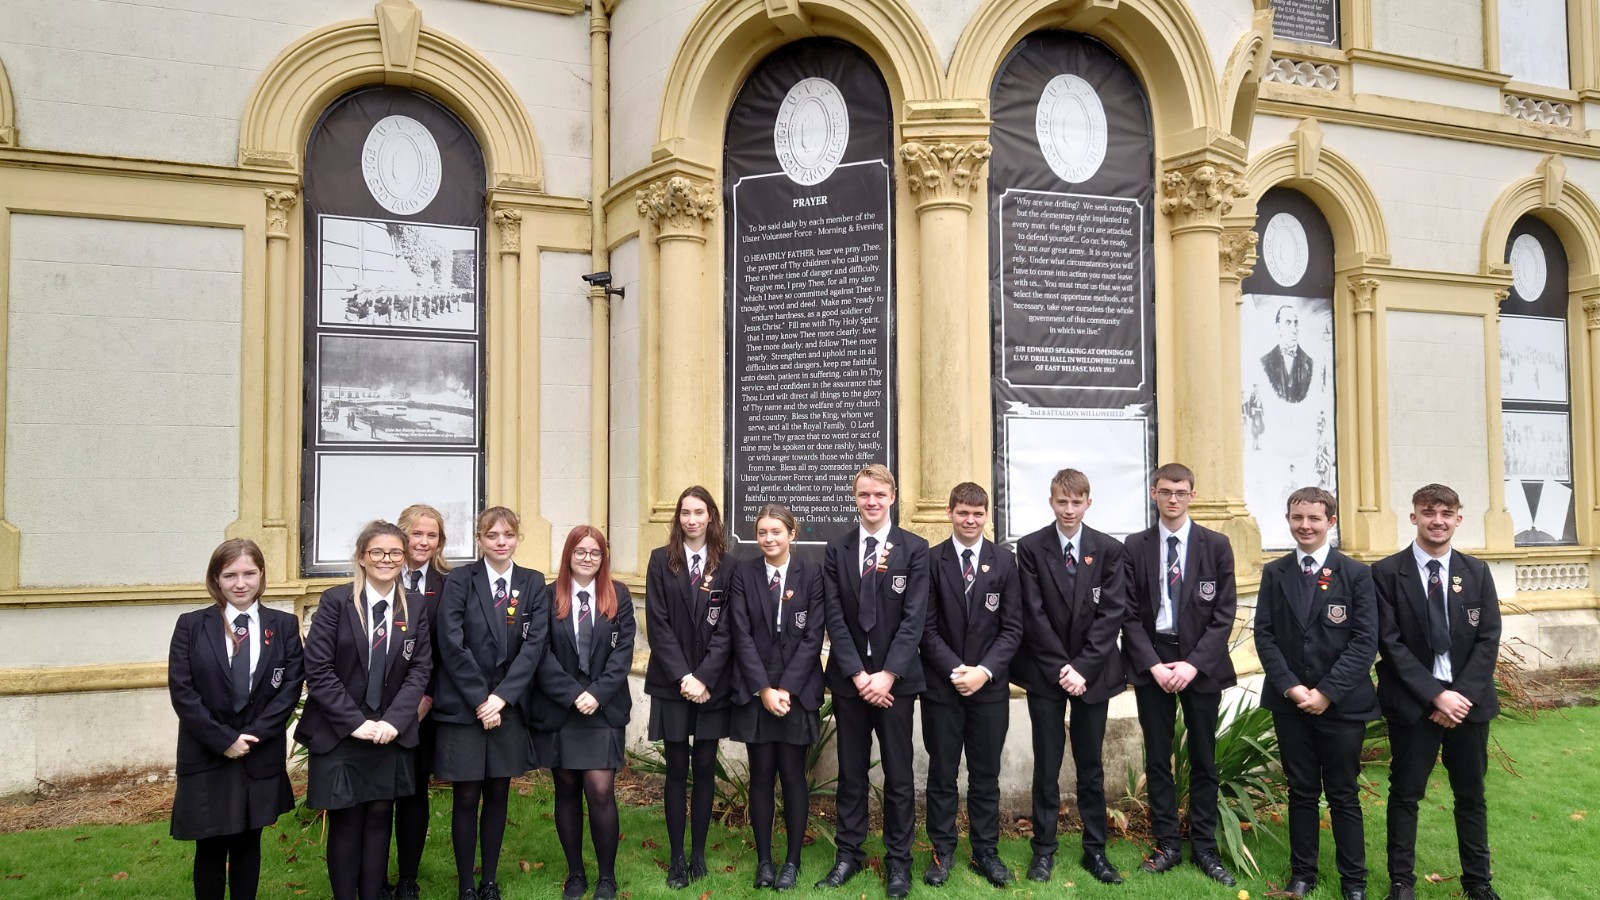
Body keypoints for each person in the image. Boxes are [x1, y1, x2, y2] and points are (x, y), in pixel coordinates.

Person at [1371, 484, 1503, 900]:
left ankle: (1478, 883)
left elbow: (1488, 639)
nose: (1438, 521)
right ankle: (1401, 883)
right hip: (1413, 704)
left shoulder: (1476, 572)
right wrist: (1435, 695)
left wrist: (1457, 695)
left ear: (1458, 519)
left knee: (1471, 795)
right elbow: (1389, 642)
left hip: (1467, 704)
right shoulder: (1386, 573)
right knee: (1405, 794)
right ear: (1414, 517)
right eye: (1429, 512)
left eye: (1446, 513)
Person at [297, 521, 433, 900]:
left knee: (379, 818)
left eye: (395, 553)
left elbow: (420, 668)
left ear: (404, 559)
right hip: (341, 731)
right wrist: (355, 723)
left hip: (389, 732)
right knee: (347, 819)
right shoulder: (336, 601)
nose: (386, 559)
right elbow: (318, 669)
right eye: (377, 552)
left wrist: (396, 720)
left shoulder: (414, 606)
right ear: (361, 557)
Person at [1254, 488, 1379, 900]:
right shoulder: (1275, 573)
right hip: (1290, 704)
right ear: (1288, 519)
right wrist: (1291, 687)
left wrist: (1326, 692)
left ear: (1331, 522)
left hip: (1342, 705)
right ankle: (1302, 875)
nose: (1304, 525)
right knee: (1302, 791)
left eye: (1313, 518)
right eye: (1297, 517)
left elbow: (1364, 641)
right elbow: (1265, 635)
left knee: (1343, 794)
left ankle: (1353, 881)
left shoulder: (1356, 574)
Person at [1120, 463, 1238, 886]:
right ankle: (1167, 844)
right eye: (1166, 491)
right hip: (1152, 659)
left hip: (1200, 663)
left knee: (1204, 757)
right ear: (1154, 493)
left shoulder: (1216, 545)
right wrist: (1152, 664)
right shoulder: (1135, 546)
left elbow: (1224, 613)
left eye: (1181, 492)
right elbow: (1127, 613)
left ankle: (1204, 846)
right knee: (1157, 757)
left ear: (1192, 495)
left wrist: (1193, 663)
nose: (1173, 499)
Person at [168, 539, 305, 900]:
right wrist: (224, 740)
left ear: (261, 575)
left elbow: (290, 688)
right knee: (210, 845)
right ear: (216, 578)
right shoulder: (191, 626)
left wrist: (251, 736)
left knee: (248, 842)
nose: (240, 583)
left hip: (258, 753)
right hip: (207, 753)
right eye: (230, 575)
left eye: (249, 573)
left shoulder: (284, 625)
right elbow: (182, 691)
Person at [817, 464, 928, 899]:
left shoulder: (914, 549)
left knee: (899, 775)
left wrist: (887, 674)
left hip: (895, 684)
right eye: (864, 494)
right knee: (851, 773)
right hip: (852, 682)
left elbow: (914, 619)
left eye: (879, 494)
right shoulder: (837, 549)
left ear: (893, 497)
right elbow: (834, 617)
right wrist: (860, 675)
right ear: (855, 498)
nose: (872, 502)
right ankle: (849, 854)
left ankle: (899, 861)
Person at [1015, 469, 1128, 886]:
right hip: (1046, 673)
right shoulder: (1030, 548)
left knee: (1091, 765)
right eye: (1061, 501)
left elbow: (1111, 614)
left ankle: (1095, 850)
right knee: (1046, 764)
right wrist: (1062, 668)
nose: (1068, 509)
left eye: (1076, 502)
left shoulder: (1109, 549)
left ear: (1088, 503)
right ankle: (1043, 850)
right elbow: (1032, 613)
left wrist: (1082, 668)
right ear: (1051, 502)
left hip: (1092, 674)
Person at [434, 508, 549, 900]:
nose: (501, 542)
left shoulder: (533, 582)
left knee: (498, 793)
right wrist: (481, 700)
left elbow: (534, 646)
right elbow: (451, 642)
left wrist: (501, 698)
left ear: (518, 537)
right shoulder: (460, 580)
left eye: (508, 534)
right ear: (479, 539)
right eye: (492, 535)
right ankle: (467, 884)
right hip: (465, 707)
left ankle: (490, 881)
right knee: (467, 795)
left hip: (507, 707)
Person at [919, 482, 1022, 888]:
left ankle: (985, 851)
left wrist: (984, 671)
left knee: (985, 775)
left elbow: (1012, 629)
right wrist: (957, 669)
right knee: (942, 773)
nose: (970, 520)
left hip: (990, 689)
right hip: (942, 689)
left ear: (986, 516)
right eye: (963, 512)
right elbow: (925, 629)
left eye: (978, 514)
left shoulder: (1005, 561)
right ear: (950, 513)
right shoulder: (931, 561)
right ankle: (942, 851)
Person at [526, 527, 636, 900]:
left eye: (595, 552)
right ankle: (575, 873)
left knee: (601, 789)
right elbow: (539, 653)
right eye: (580, 551)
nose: (587, 558)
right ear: (568, 555)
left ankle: (607, 877)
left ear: (603, 557)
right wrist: (574, 695)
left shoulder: (618, 595)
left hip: (603, 709)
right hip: (561, 708)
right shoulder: (546, 596)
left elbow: (623, 654)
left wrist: (597, 695)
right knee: (567, 788)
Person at [728, 504, 826, 891]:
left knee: (793, 776)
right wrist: (764, 690)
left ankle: (792, 862)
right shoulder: (743, 574)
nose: (768, 539)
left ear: (792, 534)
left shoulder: (812, 575)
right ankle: (765, 863)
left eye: (776, 532)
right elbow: (740, 634)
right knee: (762, 776)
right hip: (757, 690)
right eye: (762, 532)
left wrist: (786, 689)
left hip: (796, 692)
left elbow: (813, 636)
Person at [643, 486, 735, 889]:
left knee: (705, 770)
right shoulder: (660, 561)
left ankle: (699, 855)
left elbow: (729, 628)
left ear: (711, 516)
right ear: (678, 517)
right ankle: (677, 858)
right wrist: (685, 677)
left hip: (711, 686)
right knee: (677, 770)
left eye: (699, 512)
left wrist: (704, 677)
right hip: (673, 684)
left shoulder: (729, 566)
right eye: (685, 512)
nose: (692, 519)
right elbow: (658, 624)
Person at [391, 504, 452, 900]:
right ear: (402, 535)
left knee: (413, 790)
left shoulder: (449, 584)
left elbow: (450, 648)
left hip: (424, 708)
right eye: (417, 533)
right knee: (378, 795)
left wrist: (427, 697)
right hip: (377, 707)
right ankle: (372, 877)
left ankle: (408, 879)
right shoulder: (379, 574)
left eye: (432, 535)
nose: (424, 542)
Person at [1262, 304, 1314, 403]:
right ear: (1278, 327)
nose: (1294, 330)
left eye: (1296, 323)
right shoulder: (1264, 363)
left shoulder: (1310, 364)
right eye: (1288, 323)